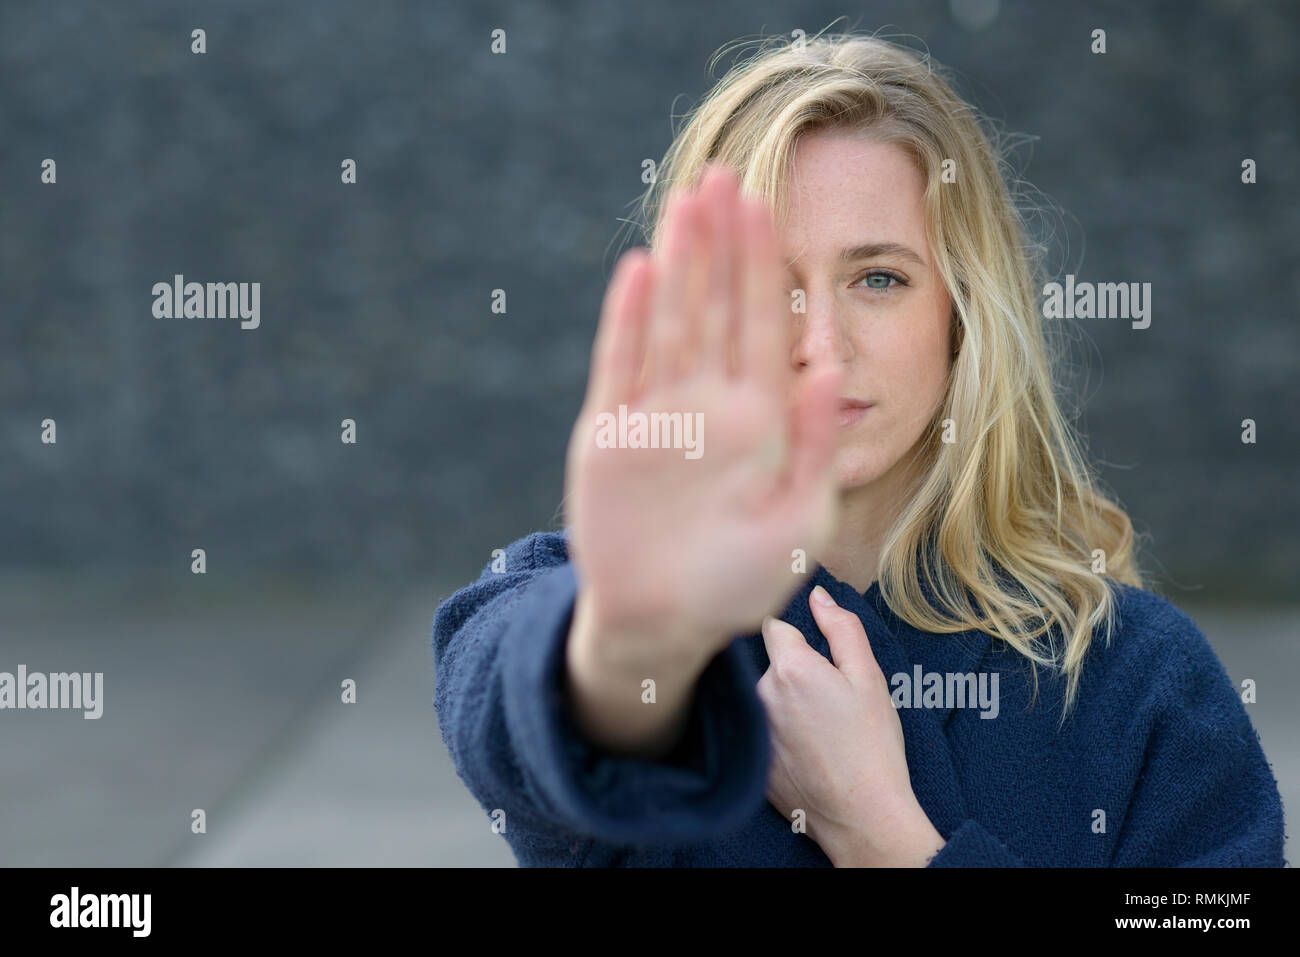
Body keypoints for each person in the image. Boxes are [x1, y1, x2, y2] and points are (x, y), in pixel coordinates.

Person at [431, 32, 1286, 866]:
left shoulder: (1143, 682)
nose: (823, 346)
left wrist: (883, 837)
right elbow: (514, 707)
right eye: (772, 287)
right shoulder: (586, 606)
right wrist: (633, 646)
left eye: (878, 278)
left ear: (962, 312)